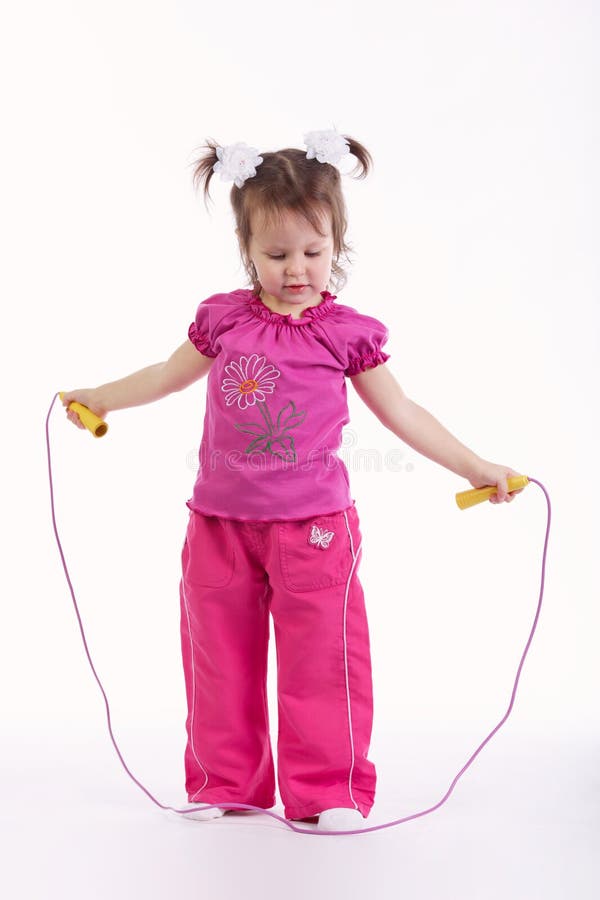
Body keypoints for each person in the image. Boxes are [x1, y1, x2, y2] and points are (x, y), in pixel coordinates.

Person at [61, 129, 524, 832]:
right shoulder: (221, 322)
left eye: (314, 252)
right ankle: (228, 783)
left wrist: (479, 467)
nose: (297, 269)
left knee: (322, 662)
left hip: (314, 532)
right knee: (219, 660)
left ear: (337, 244)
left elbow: (402, 411)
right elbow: (162, 377)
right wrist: (98, 395)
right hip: (218, 524)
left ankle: (328, 791)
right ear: (246, 249)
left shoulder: (345, 334)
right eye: (276, 255)